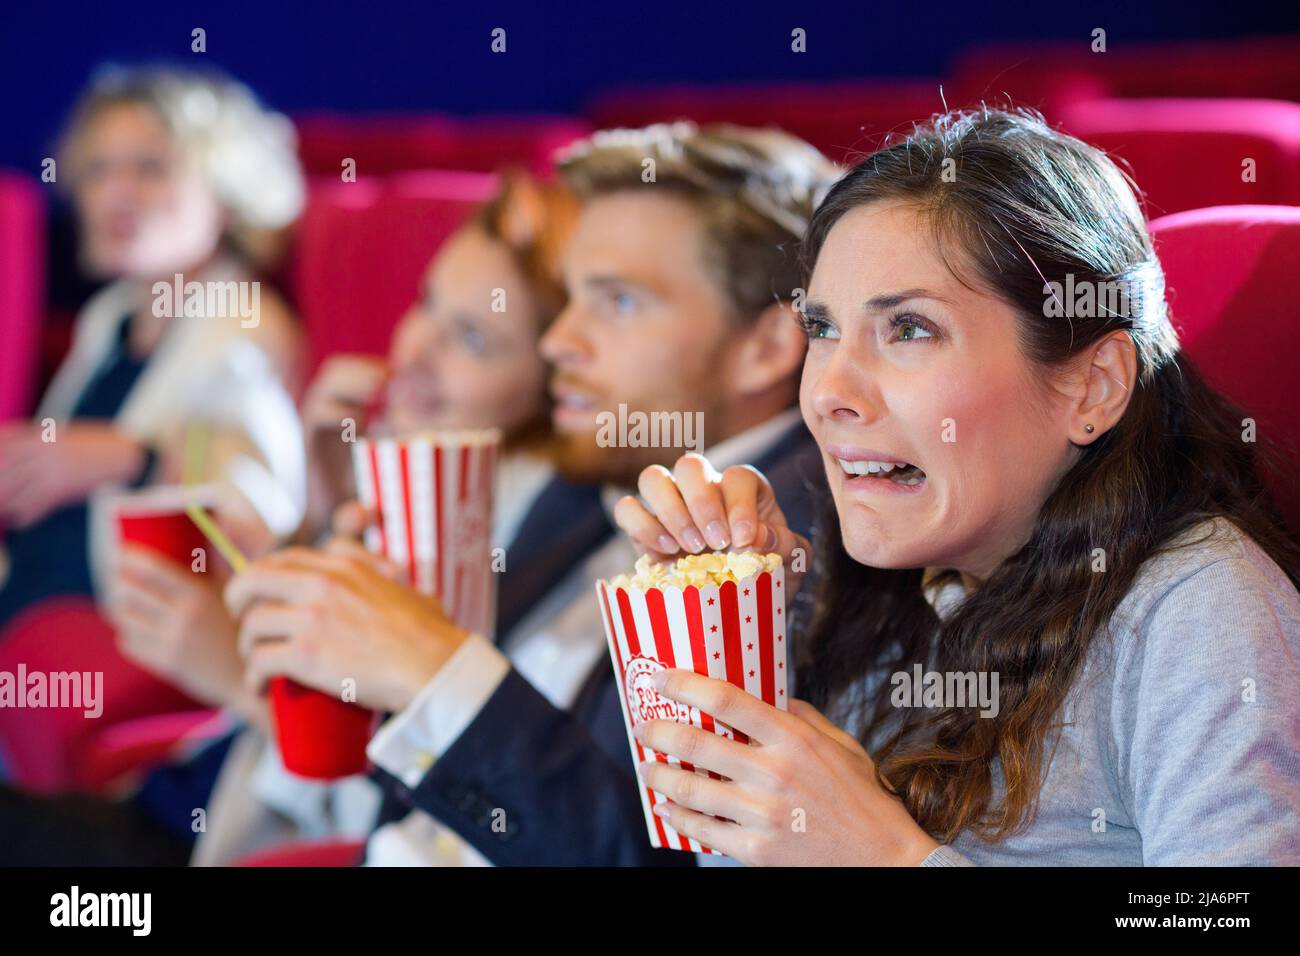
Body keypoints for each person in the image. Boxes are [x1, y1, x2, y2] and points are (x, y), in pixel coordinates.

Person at [612, 107, 1300, 866]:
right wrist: (729, 639)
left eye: (908, 329)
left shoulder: (1197, 605)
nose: (827, 392)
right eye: (823, 328)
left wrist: (889, 859)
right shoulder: (897, 586)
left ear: (1092, 387)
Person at [224, 122, 842, 865]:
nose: (558, 343)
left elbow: (653, 860)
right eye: (572, 299)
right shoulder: (589, 481)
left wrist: (434, 669)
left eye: (616, 302)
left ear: (767, 348)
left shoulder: (807, 550)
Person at [0, 64, 306, 630]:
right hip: (33, 605)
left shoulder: (245, 324)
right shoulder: (108, 316)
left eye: (150, 168)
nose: (117, 192)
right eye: (98, 170)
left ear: (225, 195)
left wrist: (135, 459)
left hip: (125, 633)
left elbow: (269, 512)